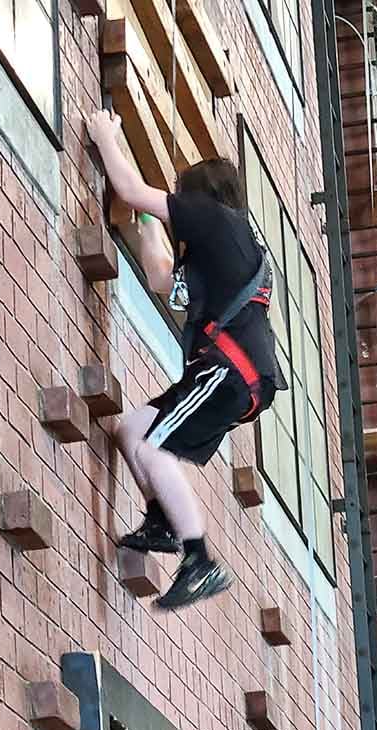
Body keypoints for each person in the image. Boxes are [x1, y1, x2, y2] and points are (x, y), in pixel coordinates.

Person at [86, 109, 287, 610]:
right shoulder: (224, 252)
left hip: (227, 370)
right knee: (133, 430)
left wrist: (106, 136)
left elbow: (132, 189)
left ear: (198, 195)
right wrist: (151, 227)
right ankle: (162, 521)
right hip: (233, 376)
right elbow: (161, 282)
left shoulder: (217, 219)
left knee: (154, 448)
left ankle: (199, 558)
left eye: (180, 194)